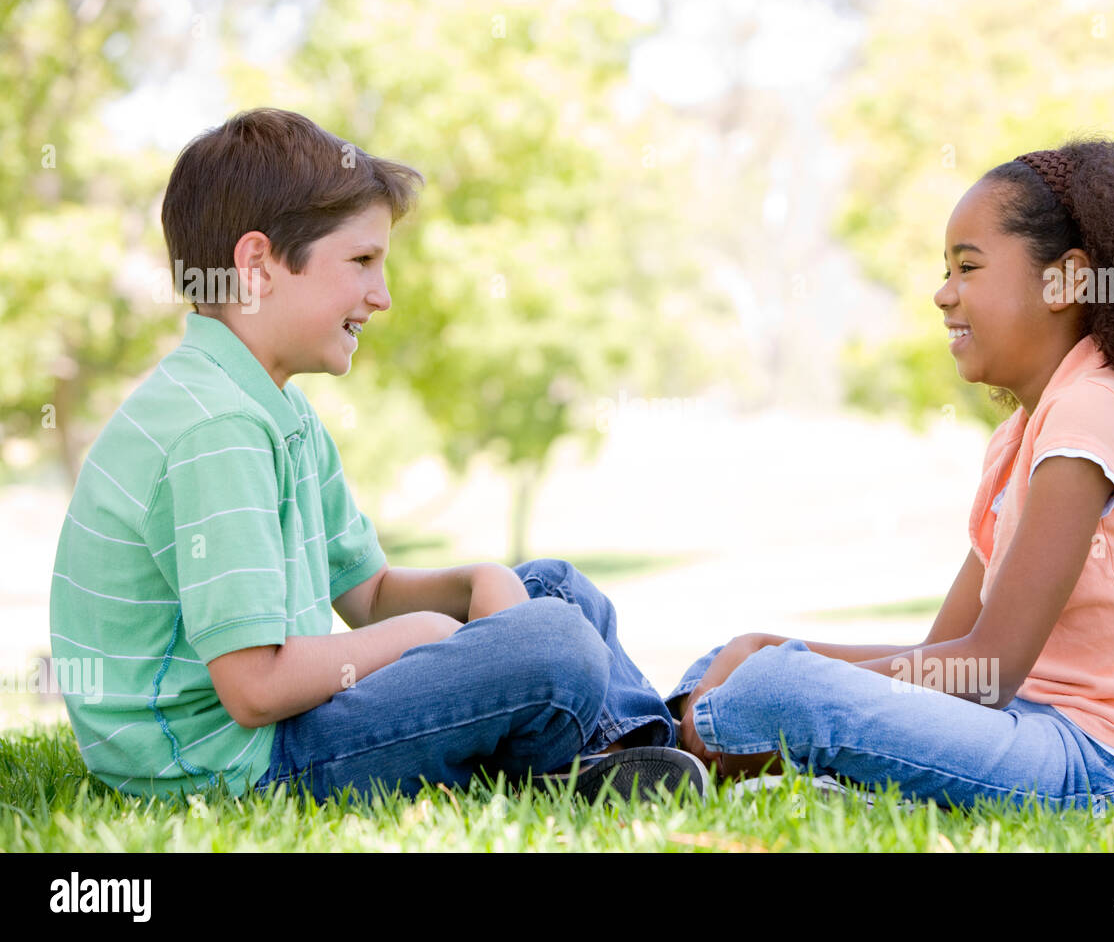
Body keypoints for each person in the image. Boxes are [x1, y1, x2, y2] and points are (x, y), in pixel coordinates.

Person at [48, 107, 704, 803]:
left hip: (278, 722)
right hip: (234, 764)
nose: (382, 296)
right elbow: (255, 687)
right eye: (361, 261)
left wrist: (470, 586)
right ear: (258, 265)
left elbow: (367, 595)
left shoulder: (275, 408)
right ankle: (593, 762)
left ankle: (632, 753)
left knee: (553, 589)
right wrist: (426, 633)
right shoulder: (215, 428)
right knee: (552, 644)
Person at [671, 140, 1114, 815]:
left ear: (1065, 281)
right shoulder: (1022, 436)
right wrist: (766, 647)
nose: (943, 294)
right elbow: (943, 653)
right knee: (735, 660)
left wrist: (786, 674)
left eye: (967, 267)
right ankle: (678, 749)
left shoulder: (1095, 411)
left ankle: (679, 750)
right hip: (1036, 731)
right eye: (946, 271)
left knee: (777, 689)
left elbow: (988, 670)